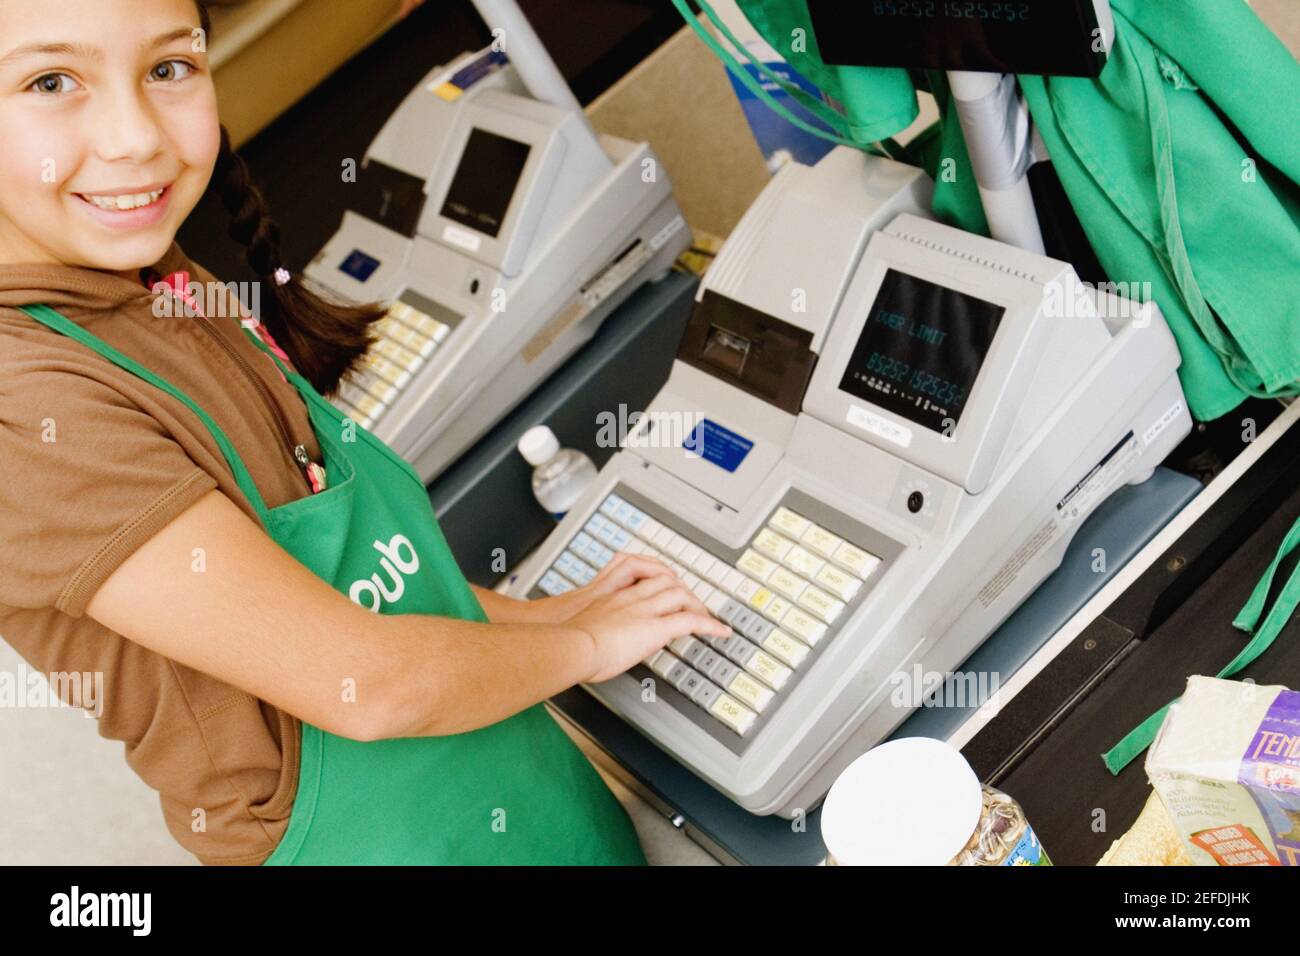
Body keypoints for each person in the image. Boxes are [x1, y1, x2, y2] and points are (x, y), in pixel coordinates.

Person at [0, 0, 729, 865]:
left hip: (523, 801)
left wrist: (547, 621)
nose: (135, 138)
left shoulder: (153, 277)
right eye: (51, 81)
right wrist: (588, 645)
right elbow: (368, 686)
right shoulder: (28, 408)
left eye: (168, 68)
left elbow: (377, 584)